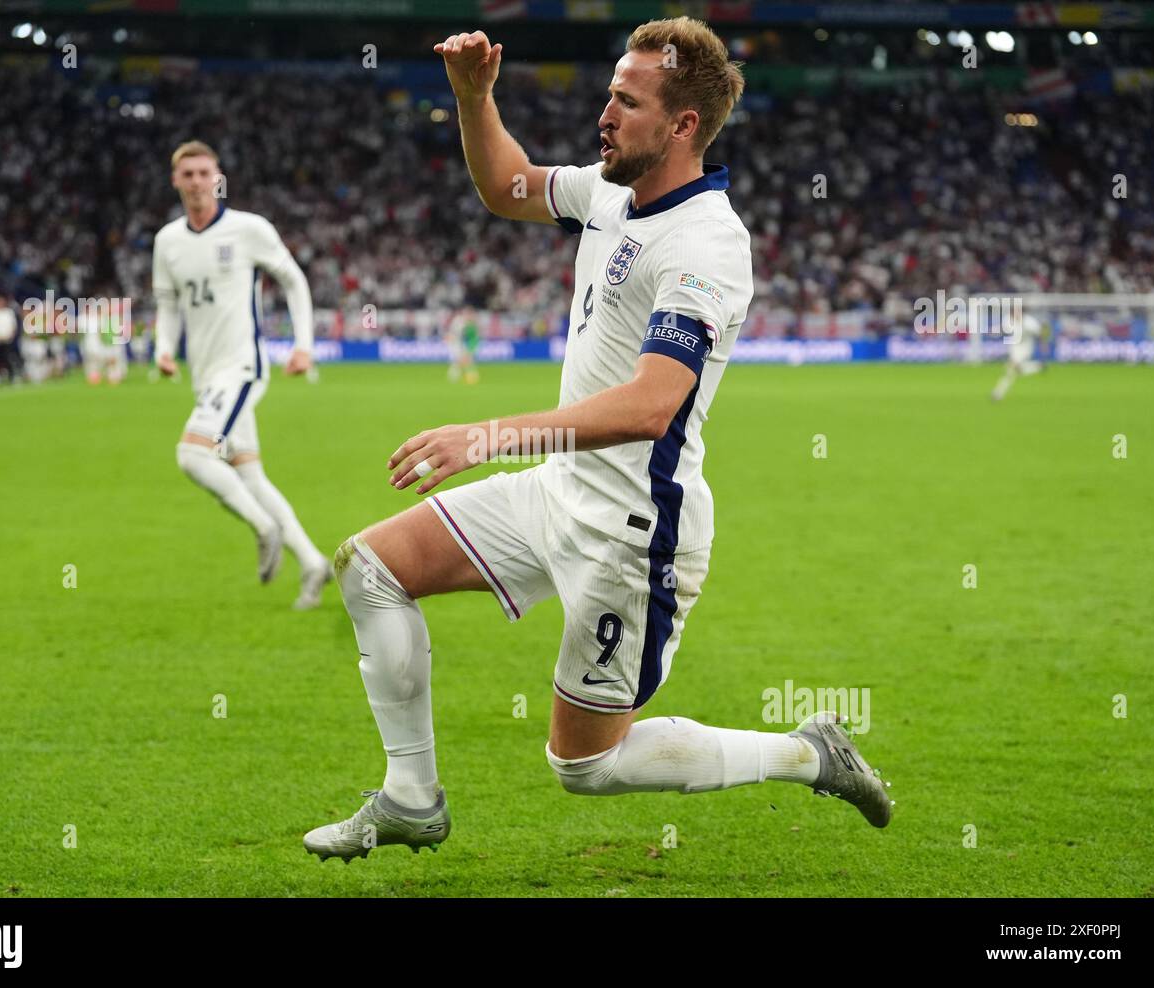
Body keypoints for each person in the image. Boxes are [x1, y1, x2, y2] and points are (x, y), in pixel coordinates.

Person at [305, 17, 891, 862]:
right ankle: (409, 798)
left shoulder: (706, 245)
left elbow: (654, 404)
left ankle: (807, 754)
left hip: (632, 531)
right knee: (371, 570)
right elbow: (507, 186)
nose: (603, 113)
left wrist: (490, 435)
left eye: (626, 99)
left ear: (683, 124)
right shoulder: (611, 192)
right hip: (557, 489)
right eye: (609, 93)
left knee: (584, 765)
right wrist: (475, 99)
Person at [152, 140, 331, 610]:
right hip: (205, 375)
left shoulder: (248, 229)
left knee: (192, 456)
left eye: (203, 172)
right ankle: (312, 563)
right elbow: (168, 304)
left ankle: (264, 527)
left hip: (242, 368)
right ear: (175, 181)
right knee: (250, 475)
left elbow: (294, 279)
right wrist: (164, 349)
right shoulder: (167, 241)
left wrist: (303, 345)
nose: (195, 181)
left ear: (218, 177)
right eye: (186, 173)